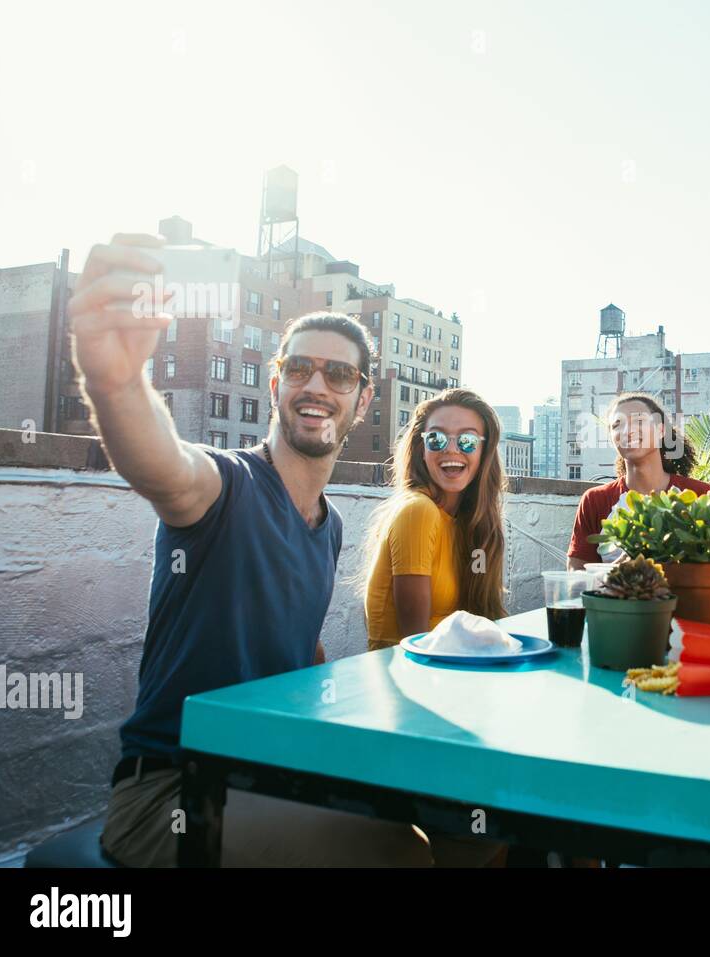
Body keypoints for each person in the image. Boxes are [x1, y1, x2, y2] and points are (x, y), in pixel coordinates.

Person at [73, 233, 439, 866]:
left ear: (364, 398)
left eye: (340, 373)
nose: (316, 384)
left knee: (443, 824)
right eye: (298, 368)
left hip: (264, 773)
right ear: (275, 386)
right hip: (170, 796)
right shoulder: (226, 486)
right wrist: (115, 382)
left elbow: (298, 651)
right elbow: (165, 466)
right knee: (398, 853)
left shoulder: (329, 526)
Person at [360, 388, 507, 651]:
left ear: (484, 453)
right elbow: (418, 646)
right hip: (413, 680)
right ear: (421, 448)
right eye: (437, 439)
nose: (452, 450)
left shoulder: (469, 524)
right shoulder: (418, 511)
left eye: (468, 441)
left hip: (455, 671)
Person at [567, 392, 710, 569]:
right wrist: (618, 571)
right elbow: (575, 576)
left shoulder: (701, 494)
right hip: (617, 596)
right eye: (617, 425)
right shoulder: (594, 500)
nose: (627, 430)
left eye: (638, 421)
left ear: (661, 430)